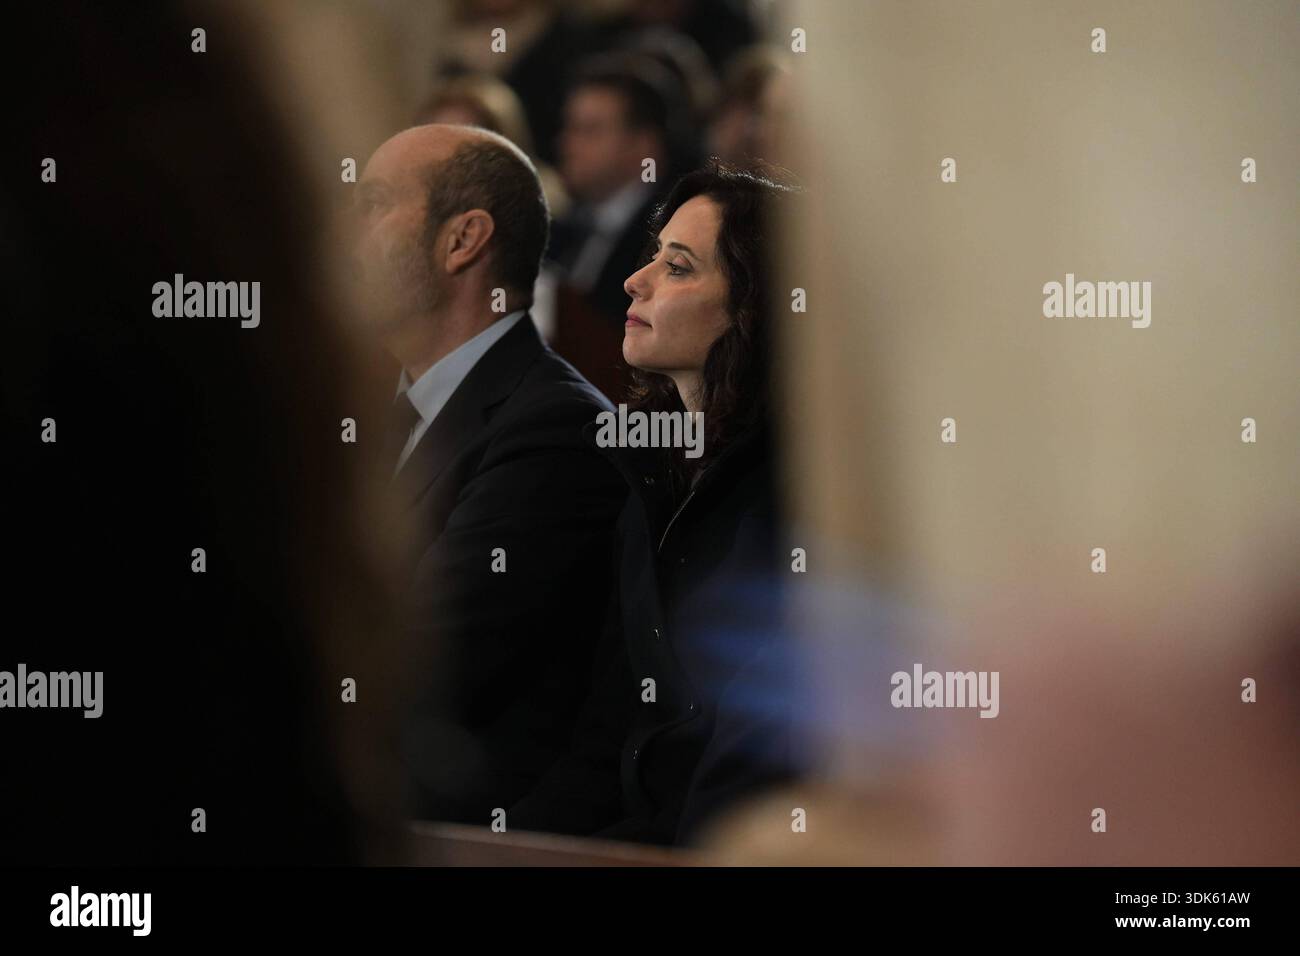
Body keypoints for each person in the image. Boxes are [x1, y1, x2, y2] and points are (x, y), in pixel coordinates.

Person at [510, 159, 808, 845]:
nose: (632, 281)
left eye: (677, 268)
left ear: (757, 306)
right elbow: (609, 730)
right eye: (652, 257)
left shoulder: (794, 494)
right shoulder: (649, 466)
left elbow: (751, 764)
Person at [351, 124, 627, 824]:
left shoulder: (556, 428)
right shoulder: (377, 417)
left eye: (374, 202)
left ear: (462, 239)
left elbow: (417, 664)